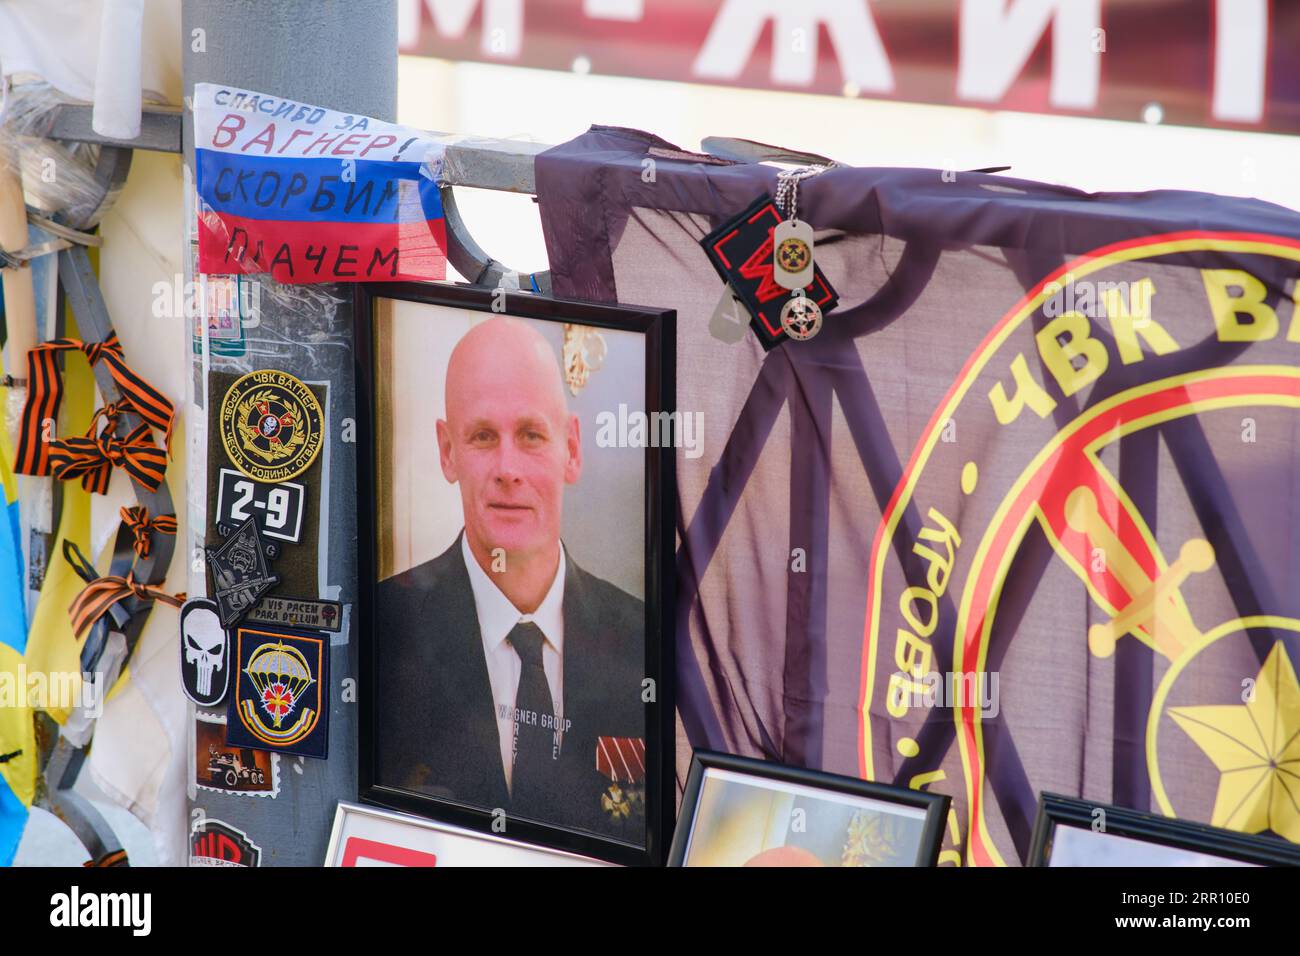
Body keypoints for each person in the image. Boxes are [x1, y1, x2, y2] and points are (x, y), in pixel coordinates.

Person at [375, 317, 645, 839]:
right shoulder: (384, 627)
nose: (507, 467)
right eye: (482, 436)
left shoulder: (645, 640)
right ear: (447, 451)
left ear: (571, 448)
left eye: (530, 434)